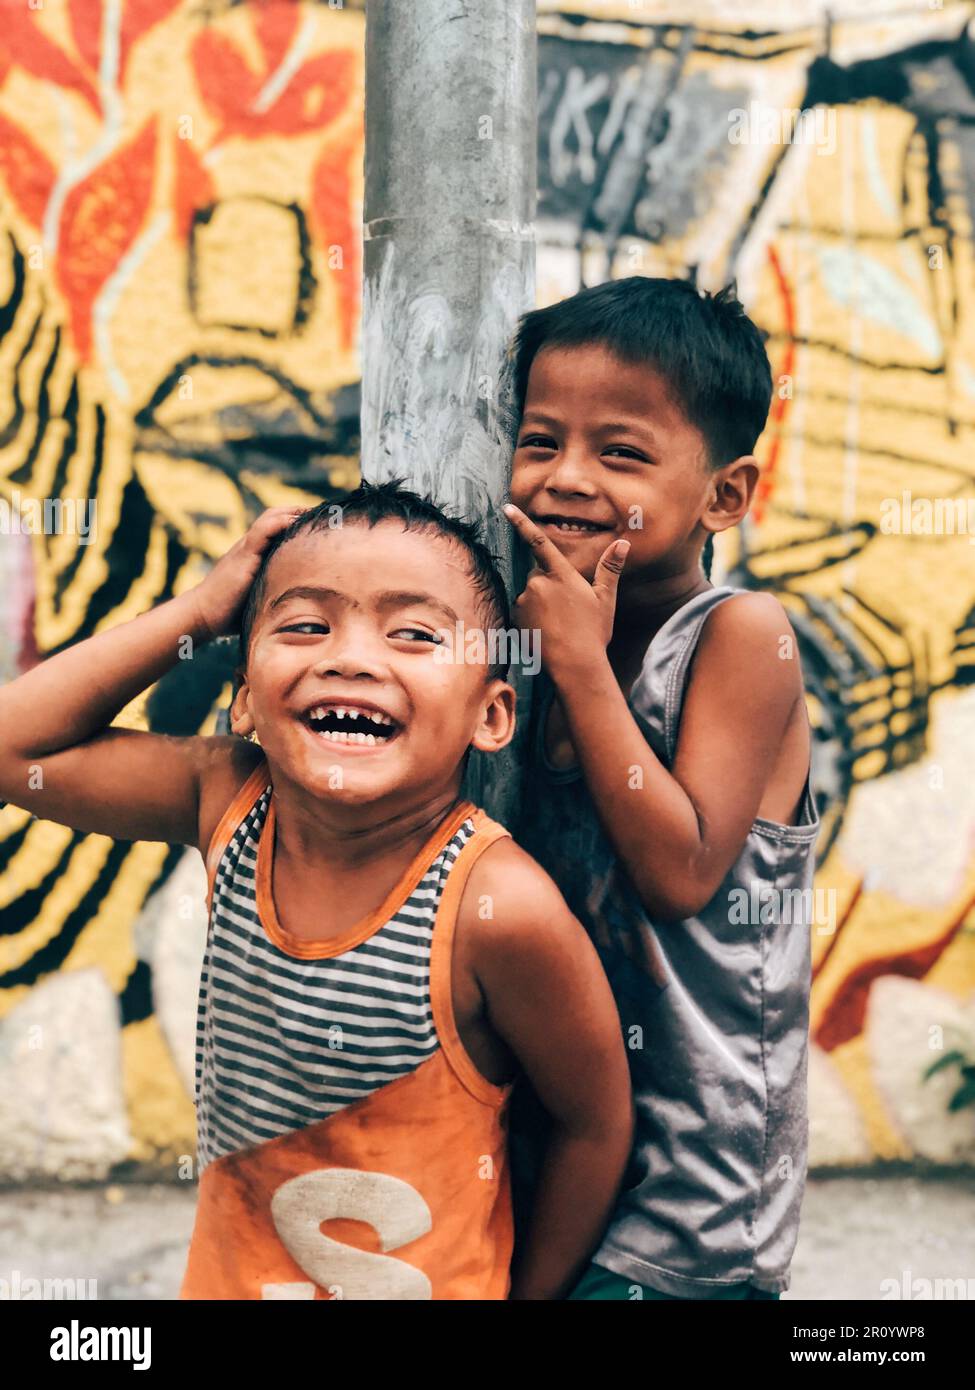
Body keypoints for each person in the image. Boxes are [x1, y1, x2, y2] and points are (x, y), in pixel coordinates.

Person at [0, 480, 632, 1301]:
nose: (350, 657)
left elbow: (596, 1123)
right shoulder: (228, 801)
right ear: (243, 704)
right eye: (304, 625)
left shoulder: (496, 907)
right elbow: (16, 751)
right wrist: (198, 610)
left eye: (413, 634)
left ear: (491, 715)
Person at [504, 276, 820, 1301]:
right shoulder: (535, 637)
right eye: (541, 440)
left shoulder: (741, 637)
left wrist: (583, 671)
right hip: (555, 1159)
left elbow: (681, 868)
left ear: (725, 496)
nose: (566, 478)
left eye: (621, 452)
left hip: (696, 1199)